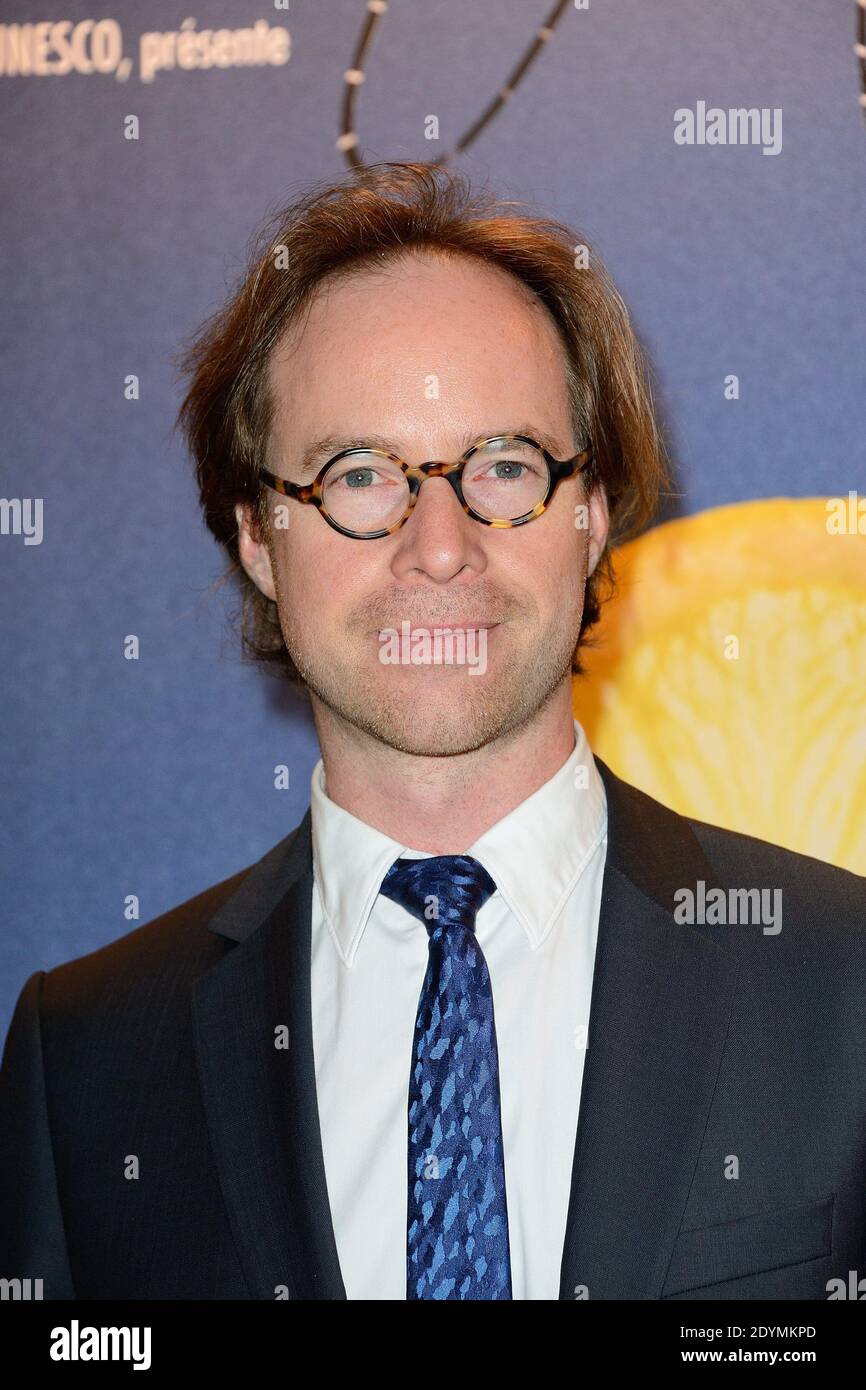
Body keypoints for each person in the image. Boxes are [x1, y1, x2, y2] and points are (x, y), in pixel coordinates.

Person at [1, 162, 864, 1302]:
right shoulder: (89, 1058)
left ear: (591, 515)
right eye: (360, 475)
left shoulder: (842, 983)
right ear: (257, 536)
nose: (442, 547)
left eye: (504, 467)